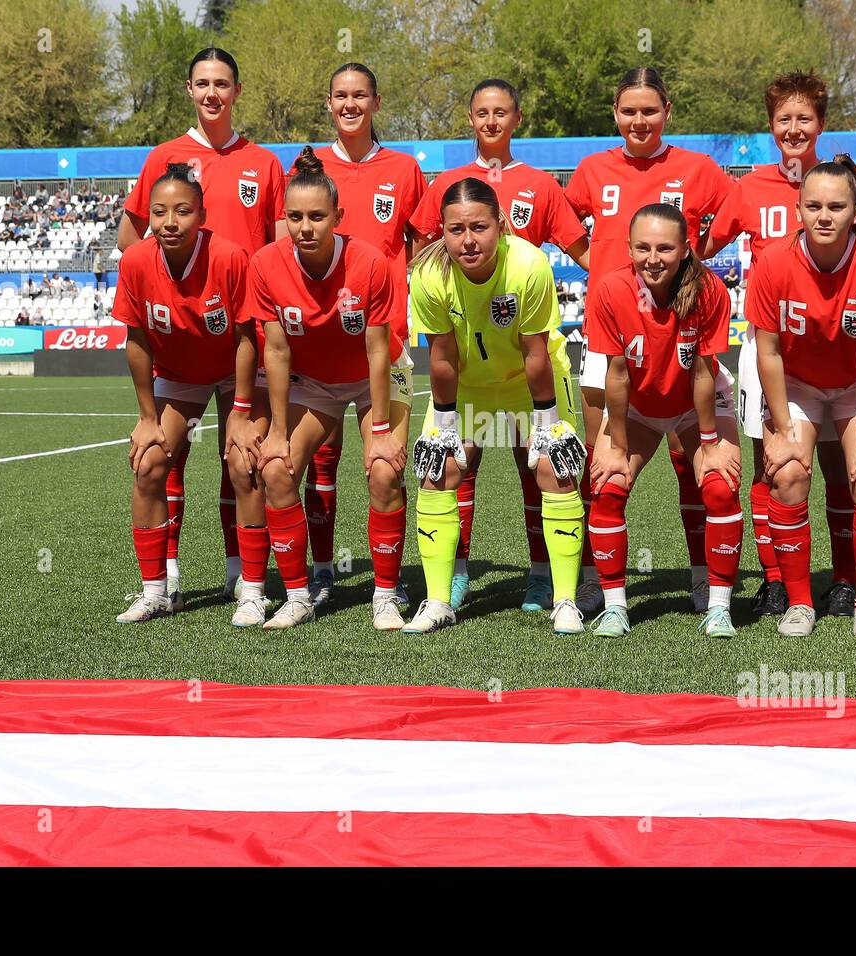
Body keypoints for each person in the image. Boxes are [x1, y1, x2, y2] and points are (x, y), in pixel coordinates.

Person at [701, 71, 856, 621]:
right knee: (775, 464)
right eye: (784, 119)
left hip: (840, 340)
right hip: (773, 342)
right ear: (770, 127)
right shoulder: (750, 187)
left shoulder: (852, 185)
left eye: (804, 118)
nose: (794, 128)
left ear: (821, 124)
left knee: (840, 466)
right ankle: (778, 581)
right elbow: (703, 245)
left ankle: (850, 581)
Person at [411, 78, 591, 613]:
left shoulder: (538, 189)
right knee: (448, 462)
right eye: (481, 112)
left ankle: (546, 580)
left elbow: (583, 250)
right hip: (467, 365)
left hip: (524, 355)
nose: (491, 121)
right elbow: (422, 250)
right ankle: (453, 580)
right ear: (470, 119)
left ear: (517, 118)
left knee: (540, 465)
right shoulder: (447, 186)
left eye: (501, 112)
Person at [118, 46, 286, 608]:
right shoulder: (164, 158)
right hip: (181, 346)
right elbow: (131, 239)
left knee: (242, 460)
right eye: (202, 83)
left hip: (246, 339)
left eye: (222, 83)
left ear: (236, 92)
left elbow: (282, 244)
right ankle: (162, 579)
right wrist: (166, 290)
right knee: (161, 461)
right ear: (189, 90)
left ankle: (243, 576)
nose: (212, 93)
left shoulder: (263, 162)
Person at [565, 67, 733, 617]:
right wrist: (602, 269)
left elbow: (726, 219)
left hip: (677, 330)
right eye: (629, 111)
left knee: (695, 466)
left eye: (650, 111)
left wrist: (694, 262)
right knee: (605, 462)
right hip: (612, 334)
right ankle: (597, 583)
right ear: (615, 114)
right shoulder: (592, 170)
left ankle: (704, 578)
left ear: (667, 113)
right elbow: (566, 224)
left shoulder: (698, 169)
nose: (639, 121)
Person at [234, 147, 414, 631]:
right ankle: (297, 596)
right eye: (294, 217)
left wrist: (378, 429)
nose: (305, 227)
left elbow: (379, 351)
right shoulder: (267, 264)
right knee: (275, 467)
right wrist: (273, 429)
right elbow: (275, 351)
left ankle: (385, 594)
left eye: (317, 216)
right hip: (313, 383)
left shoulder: (370, 263)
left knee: (382, 469)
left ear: (339, 215)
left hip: (376, 374)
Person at [290, 62, 427, 610]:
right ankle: (322, 572)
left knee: (385, 463)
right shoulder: (307, 167)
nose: (350, 105)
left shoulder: (404, 169)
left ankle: (386, 590)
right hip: (320, 347)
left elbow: (418, 250)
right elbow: (286, 247)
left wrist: (400, 305)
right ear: (328, 103)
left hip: (384, 343)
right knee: (320, 463)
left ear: (376, 101)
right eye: (340, 96)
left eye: (360, 95)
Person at [748, 157, 856, 638]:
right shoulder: (772, 262)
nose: (824, 215)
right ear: (798, 209)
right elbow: (768, 352)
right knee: (789, 471)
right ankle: (799, 603)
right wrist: (780, 428)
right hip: (796, 383)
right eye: (813, 205)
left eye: (836, 206)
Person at [587, 203, 743, 638]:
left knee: (718, 485)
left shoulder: (710, 290)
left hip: (696, 404)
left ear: (685, 249)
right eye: (642, 247)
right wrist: (617, 445)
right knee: (607, 485)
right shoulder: (610, 289)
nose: (652, 258)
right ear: (628, 247)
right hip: (637, 406)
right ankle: (616, 605)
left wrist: (709, 441)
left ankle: (718, 604)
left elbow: (704, 371)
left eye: (664, 248)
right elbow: (616, 374)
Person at [109, 163, 251, 623]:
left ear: (202, 213)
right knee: (149, 462)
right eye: (159, 212)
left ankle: (247, 584)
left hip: (234, 370)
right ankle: (157, 592)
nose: (170, 222)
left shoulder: (230, 257)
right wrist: (147, 418)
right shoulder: (134, 261)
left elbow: (250, 337)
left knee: (243, 460)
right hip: (179, 376)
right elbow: (137, 340)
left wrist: (242, 410)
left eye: (183, 211)